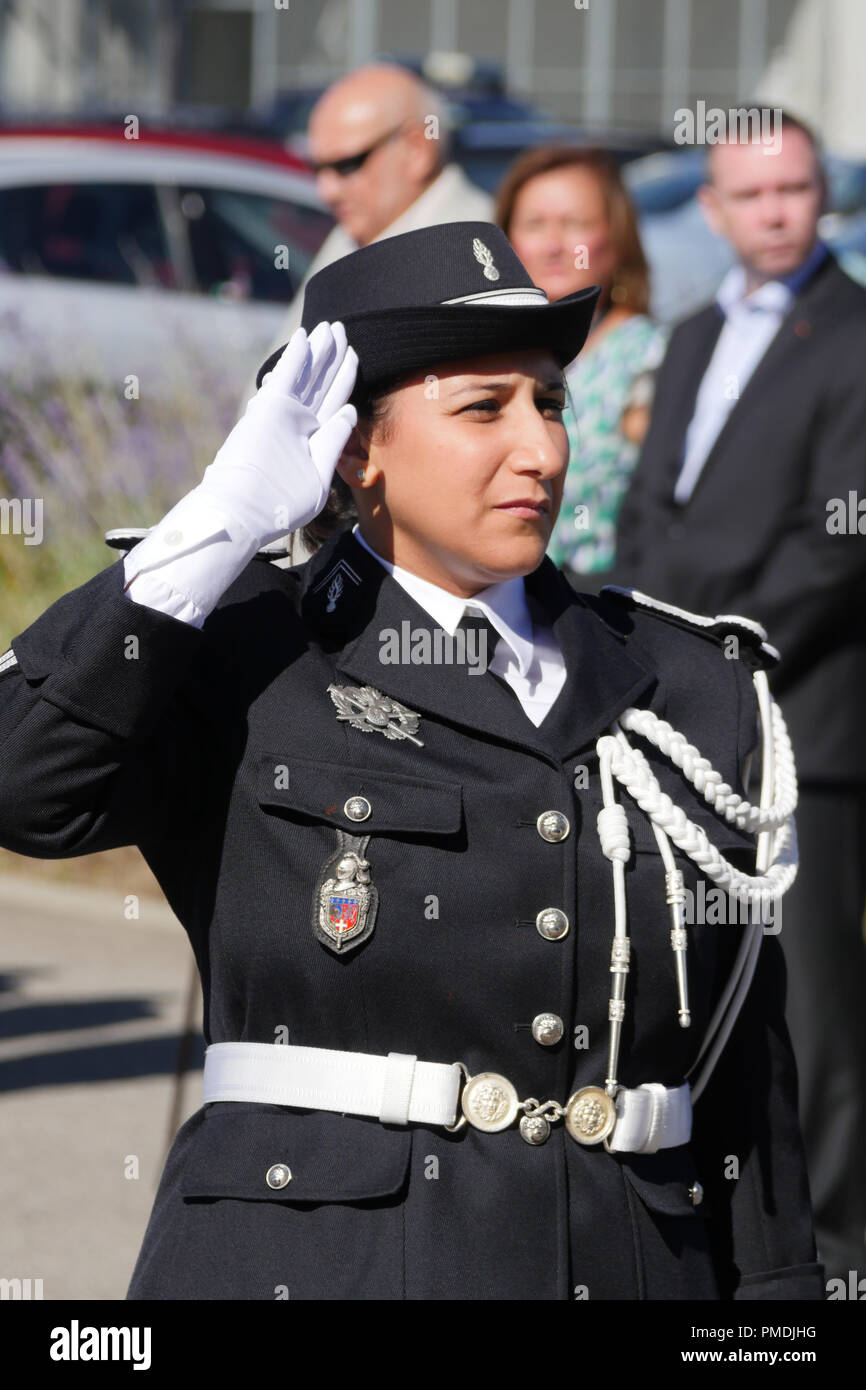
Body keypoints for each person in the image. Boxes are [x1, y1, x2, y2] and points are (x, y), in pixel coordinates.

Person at [0, 222, 821, 1301]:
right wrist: (212, 529)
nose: (538, 449)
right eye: (482, 408)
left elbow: (741, 1081)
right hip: (320, 1268)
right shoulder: (244, 651)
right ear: (353, 448)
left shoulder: (688, 682)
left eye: (548, 403)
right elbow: (27, 784)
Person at [612, 111, 866, 1286]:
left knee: (811, 1019)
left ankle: (834, 1255)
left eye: (793, 189)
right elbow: (646, 512)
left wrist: (721, 657)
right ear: (709, 209)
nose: (773, 211)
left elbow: (838, 544)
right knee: (686, 992)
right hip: (676, 717)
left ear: (822, 197)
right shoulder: (693, 332)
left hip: (797, 725)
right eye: (748, 194)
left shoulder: (856, 333)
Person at [243, 62, 492, 417]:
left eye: (347, 165)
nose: (326, 190)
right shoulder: (360, 232)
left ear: (417, 148)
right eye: (317, 169)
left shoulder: (473, 245)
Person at [496, 147, 666, 583]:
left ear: (617, 237)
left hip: (597, 601)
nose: (554, 246)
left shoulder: (649, 359)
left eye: (575, 224)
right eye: (534, 225)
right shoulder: (483, 356)